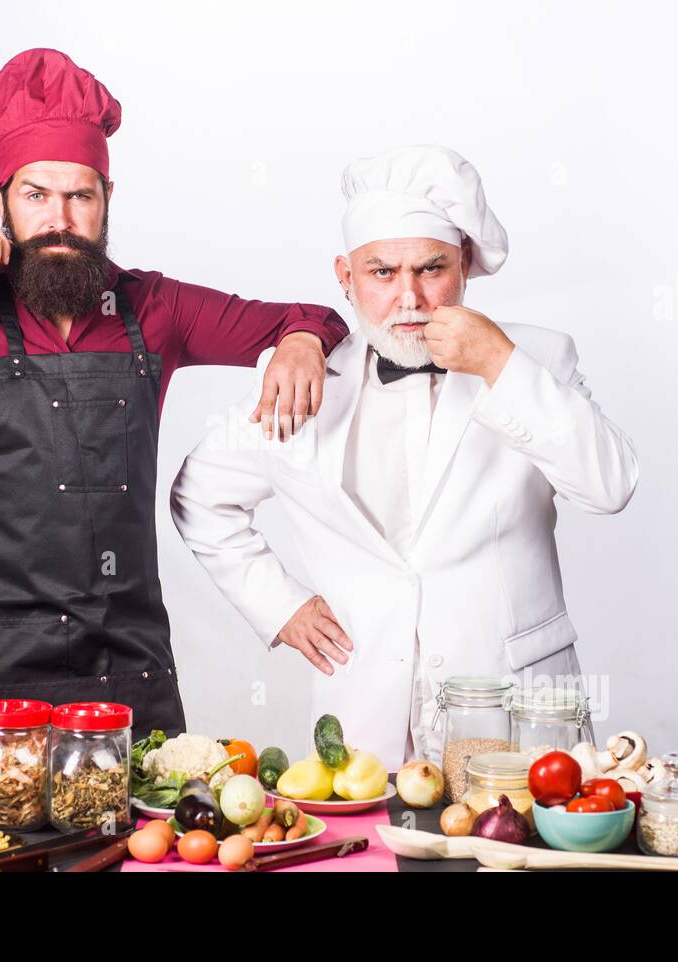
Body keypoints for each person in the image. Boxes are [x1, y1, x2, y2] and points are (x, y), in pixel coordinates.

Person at [0, 49, 349, 739]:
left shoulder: (157, 309)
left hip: (124, 664)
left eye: (80, 195)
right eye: (36, 195)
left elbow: (311, 317)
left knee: (142, 847)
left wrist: (301, 339)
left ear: (108, 198)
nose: (59, 219)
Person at [169, 145, 639, 764]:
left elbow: (609, 487)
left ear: (464, 265)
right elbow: (199, 496)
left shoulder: (538, 360)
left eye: (431, 268)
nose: (409, 297)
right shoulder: (301, 378)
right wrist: (280, 605)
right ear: (345, 275)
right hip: (366, 722)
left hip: (519, 717)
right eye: (382, 272)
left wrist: (500, 364)